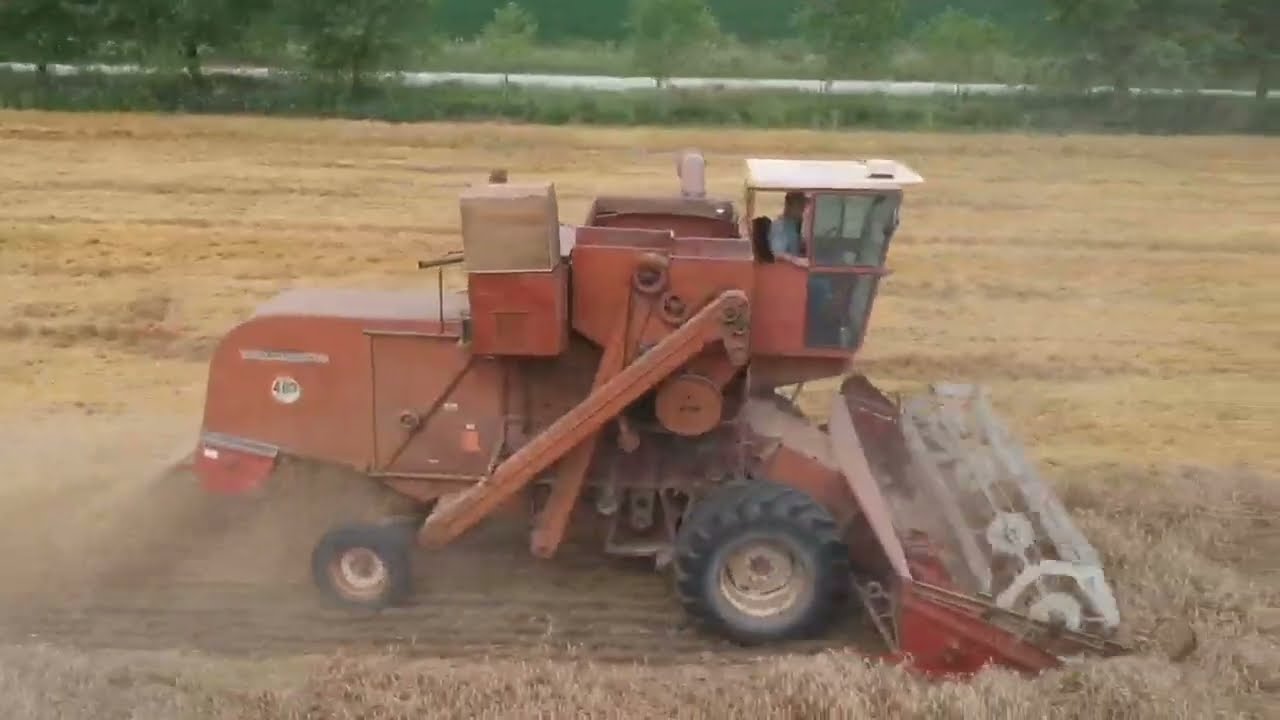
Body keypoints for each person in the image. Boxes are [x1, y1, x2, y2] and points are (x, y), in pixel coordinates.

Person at [768, 191, 806, 257]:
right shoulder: (780, 226)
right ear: (788, 205)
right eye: (800, 205)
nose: (803, 209)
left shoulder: (796, 225)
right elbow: (777, 253)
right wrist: (794, 259)